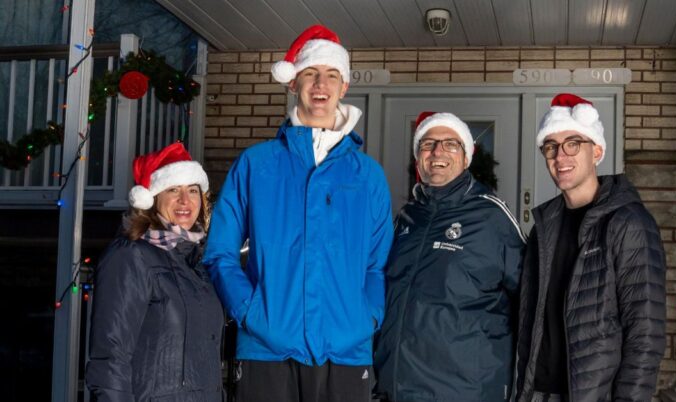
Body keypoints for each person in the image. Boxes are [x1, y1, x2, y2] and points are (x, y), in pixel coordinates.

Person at [203, 25, 393, 402]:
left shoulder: (368, 174)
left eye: (331, 75)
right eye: (310, 73)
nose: (320, 84)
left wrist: (366, 317)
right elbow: (220, 253)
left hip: (346, 349)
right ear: (293, 84)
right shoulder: (256, 165)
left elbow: (379, 264)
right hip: (266, 349)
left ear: (344, 87)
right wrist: (251, 313)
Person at [515, 93, 666, 402]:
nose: (560, 156)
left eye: (573, 143)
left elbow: (645, 332)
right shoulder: (543, 228)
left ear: (596, 151)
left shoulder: (628, 222)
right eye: (551, 147)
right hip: (538, 393)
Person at [374, 112, 526, 402]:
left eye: (450, 144)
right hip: (398, 385)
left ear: (466, 157)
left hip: (465, 388)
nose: (437, 151)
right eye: (428, 144)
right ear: (418, 159)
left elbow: (530, 300)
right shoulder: (406, 218)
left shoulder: (492, 217)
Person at [86, 142, 223, 401]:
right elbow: (110, 358)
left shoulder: (196, 262)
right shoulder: (131, 256)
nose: (185, 200)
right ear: (152, 199)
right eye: (173, 190)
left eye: (193, 190)